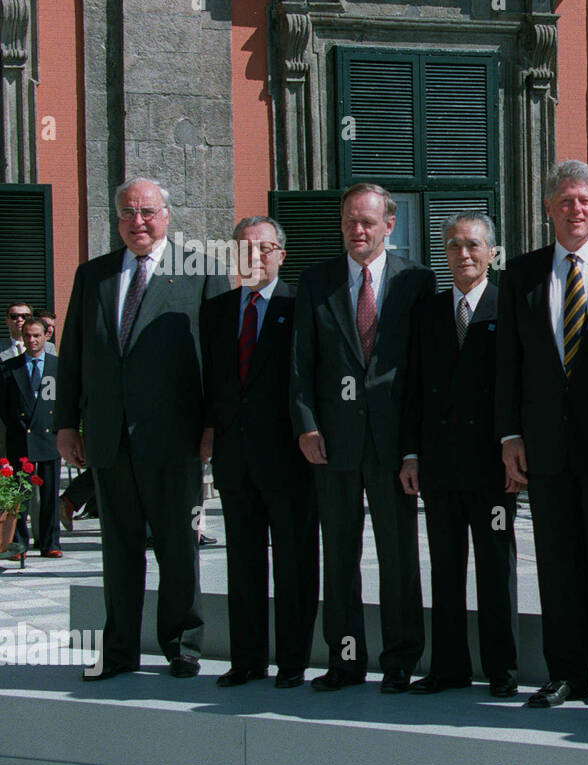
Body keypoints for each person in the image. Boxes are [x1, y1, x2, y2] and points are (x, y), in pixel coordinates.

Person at [55, 176, 223, 680]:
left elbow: (214, 363)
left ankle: (182, 645)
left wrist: (213, 426)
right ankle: (120, 649)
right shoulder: (94, 276)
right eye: (128, 213)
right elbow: (75, 355)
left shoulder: (200, 273)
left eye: (147, 211)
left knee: (177, 546)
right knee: (119, 549)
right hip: (109, 436)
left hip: (174, 440)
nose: (138, 222)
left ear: (167, 215)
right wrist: (66, 424)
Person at [495, 159, 588, 709]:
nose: (574, 209)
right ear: (547, 210)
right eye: (564, 201)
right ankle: (566, 673)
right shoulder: (521, 274)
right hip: (545, 446)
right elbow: (508, 363)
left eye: (583, 200)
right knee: (556, 559)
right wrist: (510, 435)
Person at [291, 182, 434, 693]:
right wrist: (307, 423)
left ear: (389, 226)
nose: (358, 229)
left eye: (368, 221)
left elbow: (422, 375)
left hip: (395, 448)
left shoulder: (417, 281)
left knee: (399, 557)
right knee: (340, 553)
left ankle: (399, 661)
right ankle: (346, 660)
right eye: (351, 219)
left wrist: (415, 447)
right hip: (333, 443)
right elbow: (300, 363)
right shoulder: (316, 282)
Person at [399, 212, 520, 698]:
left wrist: (516, 449)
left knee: (495, 568)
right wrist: (410, 454)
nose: (463, 254)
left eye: (472, 245)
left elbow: (519, 385)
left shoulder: (508, 305)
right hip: (440, 467)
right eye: (453, 246)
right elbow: (411, 389)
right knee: (445, 568)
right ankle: (448, 667)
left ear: (492, 252)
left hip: (492, 469)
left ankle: (502, 669)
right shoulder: (427, 312)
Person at [200, 216, 320, 689]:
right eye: (246, 249)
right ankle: (246, 658)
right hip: (235, 456)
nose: (256, 256)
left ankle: (292, 661)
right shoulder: (217, 310)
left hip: (289, 456)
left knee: (295, 561)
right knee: (243, 563)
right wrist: (208, 431)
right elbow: (210, 379)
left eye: (265, 248)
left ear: (281, 255)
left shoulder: (301, 304)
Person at [1, 317, 61, 558]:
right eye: (27, 335)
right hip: (21, 436)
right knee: (20, 494)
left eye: (36, 335)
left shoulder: (58, 366)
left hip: (49, 435)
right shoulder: (9, 367)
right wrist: (15, 424)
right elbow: (3, 404)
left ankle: (50, 542)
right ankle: (17, 543)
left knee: (49, 494)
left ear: (46, 336)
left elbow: (66, 400)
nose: (32, 340)